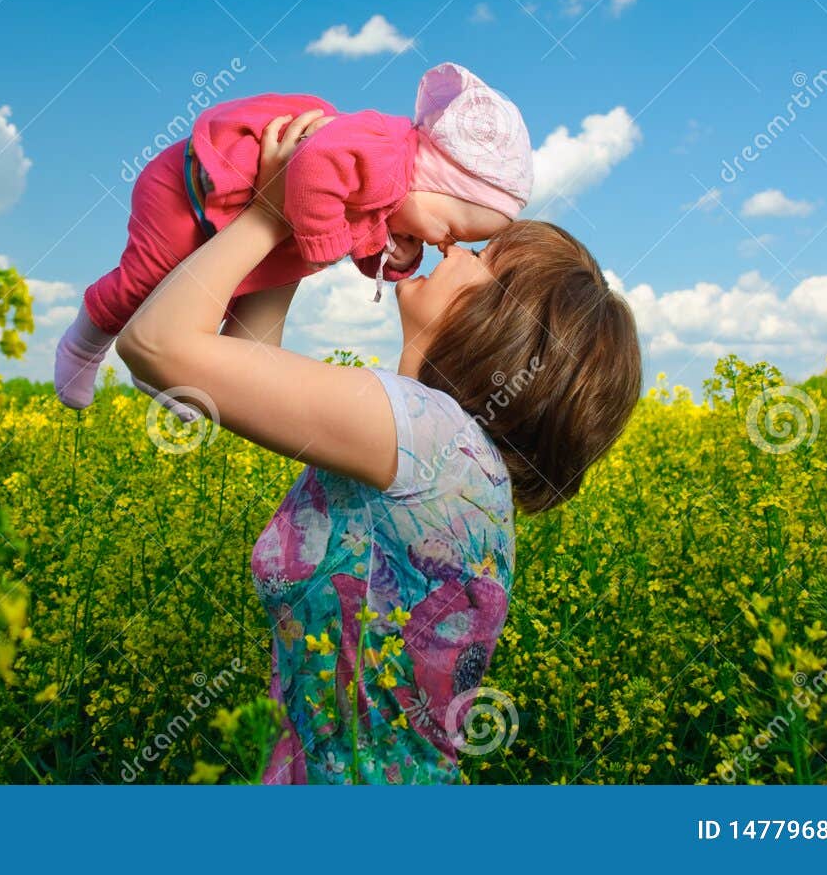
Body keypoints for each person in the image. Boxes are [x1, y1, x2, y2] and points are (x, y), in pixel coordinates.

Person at [118, 110, 642, 784]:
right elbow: (238, 363)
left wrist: (270, 216)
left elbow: (155, 345)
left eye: (480, 259)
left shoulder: (427, 432)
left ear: (505, 329)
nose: (453, 248)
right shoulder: (448, 454)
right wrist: (304, 217)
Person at [55, 62, 534, 410]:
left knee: (219, 305)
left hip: (237, 219)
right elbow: (313, 166)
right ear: (432, 177)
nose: (440, 246)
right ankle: (82, 344)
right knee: (144, 284)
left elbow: (359, 237)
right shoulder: (385, 151)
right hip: (187, 195)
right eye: (448, 231)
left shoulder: (394, 192)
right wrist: (320, 247)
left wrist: (392, 258)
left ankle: (179, 375)